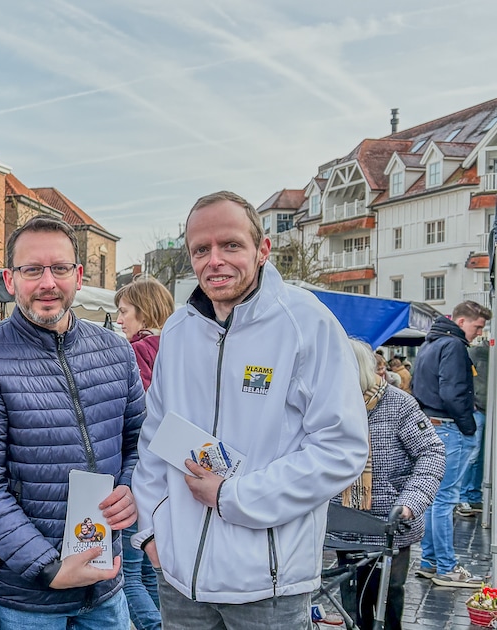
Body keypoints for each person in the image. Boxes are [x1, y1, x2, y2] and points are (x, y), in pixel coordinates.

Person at [131, 191, 369, 629]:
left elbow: (342, 449)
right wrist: (152, 531)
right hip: (180, 581)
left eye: (231, 245)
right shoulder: (178, 331)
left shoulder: (308, 324)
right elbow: (155, 437)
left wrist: (234, 497)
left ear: (262, 250)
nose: (214, 260)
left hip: (267, 588)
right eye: (201, 250)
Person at [0, 215, 143, 628]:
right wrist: (48, 568)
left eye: (59, 268)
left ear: (78, 275)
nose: (47, 283)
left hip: (105, 586)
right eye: (32, 270)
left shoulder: (116, 351)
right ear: (10, 279)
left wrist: (131, 486)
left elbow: (138, 443)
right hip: (24, 599)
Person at [332, 339, 445, 630]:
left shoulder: (399, 403)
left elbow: (431, 453)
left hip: (391, 523)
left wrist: (410, 502)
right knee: (353, 604)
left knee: (389, 598)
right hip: (344, 523)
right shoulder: (328, 403)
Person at [412, 300, 492, 587]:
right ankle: (446, 566)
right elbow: (452, 392)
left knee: (435, 500)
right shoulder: (455, 346)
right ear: (461, 322)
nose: (479, 333)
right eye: (477, 326)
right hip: (449, 427)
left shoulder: (430, 344)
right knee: (445, 500)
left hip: (433, 424)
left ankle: (431, 562)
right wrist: (468, 426)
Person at [114, 276, 174, 630]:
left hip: (140, 472)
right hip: (172, 477)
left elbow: (135, 419)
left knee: (129, 576)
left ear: (144, 311)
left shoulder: (137, 352)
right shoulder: (181, 347)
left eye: (124, 311)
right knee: (153, 573)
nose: (119, 319)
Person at [459, 340, 490, 517]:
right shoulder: (477, 353)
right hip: (478, 408)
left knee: (480, 456)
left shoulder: (481, 353)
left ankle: (473, 494)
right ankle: (463, 496)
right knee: (473, 454)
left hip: (486, 409)